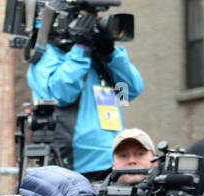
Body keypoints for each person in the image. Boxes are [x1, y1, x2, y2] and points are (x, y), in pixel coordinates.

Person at [25, 12, 143, 177]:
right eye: (87, 18)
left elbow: (128, 92)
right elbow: (60, 94)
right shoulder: (47, 55)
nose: (94, 23)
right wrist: (80, 49)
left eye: (95, 17)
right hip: (74, 165)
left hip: (113, 159)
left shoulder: (100, 58)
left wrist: (111, 53)